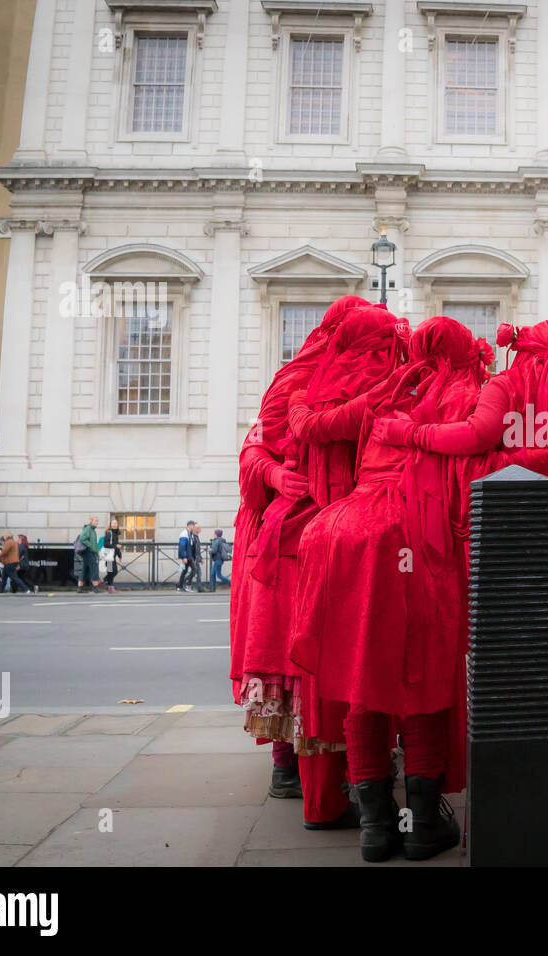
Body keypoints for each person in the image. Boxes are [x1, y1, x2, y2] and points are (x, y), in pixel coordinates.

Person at [373, 318, 548, 857]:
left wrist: (409, 433)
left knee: (517, 672)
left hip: (521, 531)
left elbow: (478, 443)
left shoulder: (502, 386)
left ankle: (516, 812)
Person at [289, 315, 489, 862]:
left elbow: (307, 424)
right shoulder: (467, 391)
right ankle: (423, 823)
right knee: (422, 680)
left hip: (342, 531)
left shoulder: (388, 391)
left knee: (362, 680)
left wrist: (314, 369)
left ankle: (376, 828)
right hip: (414, 532)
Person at [231, 296, 401, 826]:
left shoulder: (305, 378)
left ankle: (308, 774)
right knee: (321, 666)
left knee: (301, 664)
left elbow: (259, 443)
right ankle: (335, 784)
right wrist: (279, 475)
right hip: (317, 532)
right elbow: (258, 447)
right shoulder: (317, 381)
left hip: (303, 531)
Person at [75, 517, 102, 594]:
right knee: (94, 569)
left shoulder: (93, 530)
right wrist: (90, 545)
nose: (97, 522)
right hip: (88, 551)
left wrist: (96, 552)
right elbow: (83, 538)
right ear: (91, 521)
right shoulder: (88, 528)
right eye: (96, 521)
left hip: (90, 552)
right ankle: (95, 588)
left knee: (85, 569)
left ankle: (79, 588)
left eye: (97, 521)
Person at [101, 519, 122, 594]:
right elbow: (105, 544)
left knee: (113, 572)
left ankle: (105, 583)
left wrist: (120, 556)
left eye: (116, 523)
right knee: (112, 572)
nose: (114, 524)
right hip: (108, 556)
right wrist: (116, 545)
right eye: (113, 523)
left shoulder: (115, 534)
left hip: (112, 556)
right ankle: (108, 586)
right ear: (110, 525)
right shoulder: (109, 533)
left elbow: (117, 546)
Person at [177, 520, 198, 593]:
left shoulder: (190, 534)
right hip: (187, 556)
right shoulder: (184, 534)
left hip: (190, 556)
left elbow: (192, 546)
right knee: (194, 569)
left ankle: (180, 586)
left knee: (185, 571)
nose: (194, 527)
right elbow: (182, 546)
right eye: (193, 526)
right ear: (189, 525)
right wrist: (184, 557)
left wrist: (194, 557)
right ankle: (186, 585)